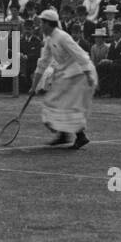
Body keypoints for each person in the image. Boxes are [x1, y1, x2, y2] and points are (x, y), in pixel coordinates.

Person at [32, 9, 97, 148]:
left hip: (80, 74)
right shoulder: (49, 40)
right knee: (54, 102)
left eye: (42, 23)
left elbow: (80, 55)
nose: (40, 26)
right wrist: (34, 86)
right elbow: (43, 63)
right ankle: (64, 135)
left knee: (68, 105)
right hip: (67, 74)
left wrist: (89, 75)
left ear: (49, 24)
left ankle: (80, 136)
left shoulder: (63, 37)